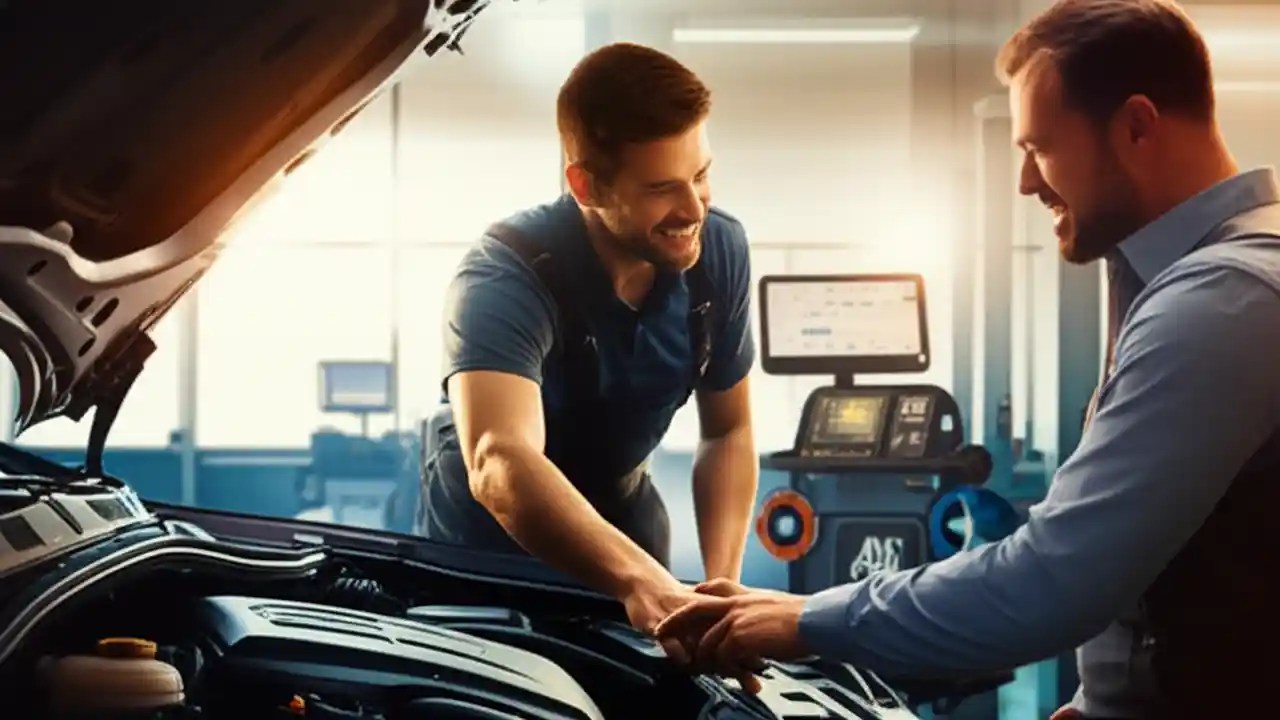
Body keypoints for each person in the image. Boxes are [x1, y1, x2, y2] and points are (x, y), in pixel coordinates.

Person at [655, 1, 1280, 717]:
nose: (1025, 183)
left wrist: (805, 621)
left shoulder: (1223, 303)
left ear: (1137, 126)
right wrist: (1106, 698)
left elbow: (1054, 579)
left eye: (1038, 148)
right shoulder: (1185, 281)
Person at [418, 42, 760, 644]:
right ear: (586, 186)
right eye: (661, 188)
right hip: (490, 536)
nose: (692, 208)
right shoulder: (505, 274)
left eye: (701, 175)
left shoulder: (720, 254)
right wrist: (639, 584)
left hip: (623, 507)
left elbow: (727, 429)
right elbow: (499, 459)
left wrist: (721, 590)